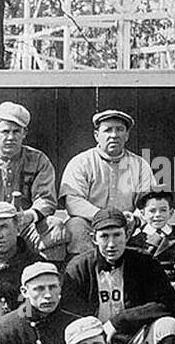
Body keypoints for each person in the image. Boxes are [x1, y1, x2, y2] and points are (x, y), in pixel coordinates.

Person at [61, 207, 175, 344]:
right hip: (95, 342)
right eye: (104, 236)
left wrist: (119, 321)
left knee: (168, 325)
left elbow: (168, 304)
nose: (111, 244)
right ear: (93, 238)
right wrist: (98, 334)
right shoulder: (79, 267)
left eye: (117, 235)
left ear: (127, 234)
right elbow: (70, 312)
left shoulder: (144, 262)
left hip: (136, 337)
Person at [0, 101, 66, 261]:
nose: (10, 137)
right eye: (5, 131)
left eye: (16, 131)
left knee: (54, 225)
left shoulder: (38, 160)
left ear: (24, 133)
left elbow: (46, 199)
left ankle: (48, 279)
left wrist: (29, 215)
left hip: (24, 225)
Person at [59, 109, 158, 256]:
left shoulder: (139, 165)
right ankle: (87, 276)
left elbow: (150, 202)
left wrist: (135, 219)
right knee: (76, 226)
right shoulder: (81, 162)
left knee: (153, 233)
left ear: (127, 135)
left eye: (120, 130)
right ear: (97, 135)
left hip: (127, 226)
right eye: (107, 130)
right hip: (92, 225)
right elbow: (73, 201)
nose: (114, 135)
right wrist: (103, 217)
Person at [128, 189, 175, 320]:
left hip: (174, 291)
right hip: (145, 295)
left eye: (163, 210)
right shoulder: (136, 240)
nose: (158, 215)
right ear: (143, 213)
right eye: (152, 211)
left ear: (170, 213)